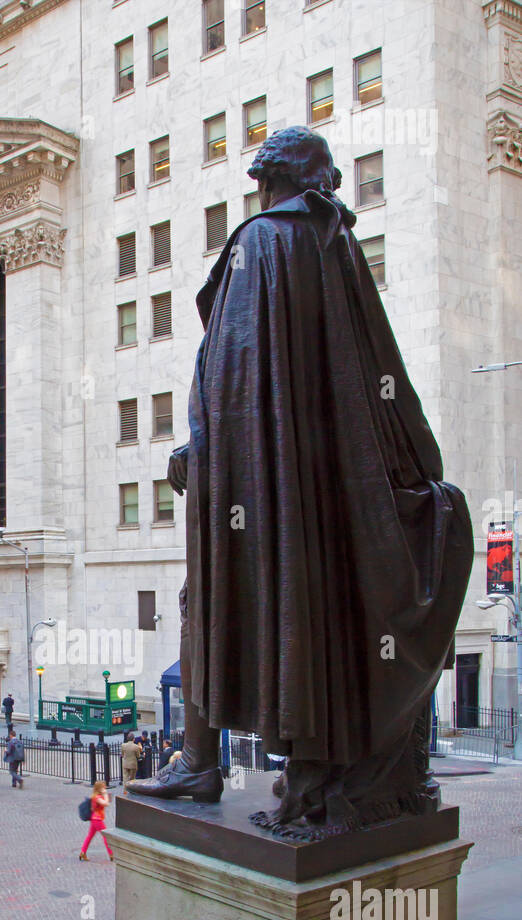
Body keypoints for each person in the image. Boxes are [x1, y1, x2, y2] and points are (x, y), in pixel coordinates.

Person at [128, 126, 473, 838]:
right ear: (318, 182)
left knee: (206, 604)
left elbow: (232, 371)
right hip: (315, 489)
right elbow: (374, 371)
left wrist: (206, 448)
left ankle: (200, 761)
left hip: (257, 487)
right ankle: (279, 768)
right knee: (290, 614)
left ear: (263, 179)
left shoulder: (262, 243)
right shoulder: (333, 244)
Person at [79, 780, 113, 862]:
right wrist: (105, 794)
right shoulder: (97, 798)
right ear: (100, 788)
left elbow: (107, 802)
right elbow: (106, 803)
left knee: (90, 836)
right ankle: (111, 854)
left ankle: (83, 852)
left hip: (95, 819)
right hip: (97, 820)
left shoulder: (96, 796)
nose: (105, 788)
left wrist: (105, 795)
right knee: (106, 836)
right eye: (103, 787)